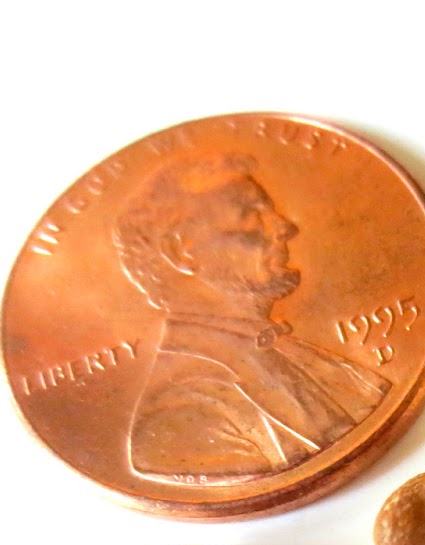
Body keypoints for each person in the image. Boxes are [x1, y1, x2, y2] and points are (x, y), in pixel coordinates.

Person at [114, 154, 390, 482]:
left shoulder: (294, 352)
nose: (286, 227)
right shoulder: (180, 415)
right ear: (182, 250)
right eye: (252, 214)